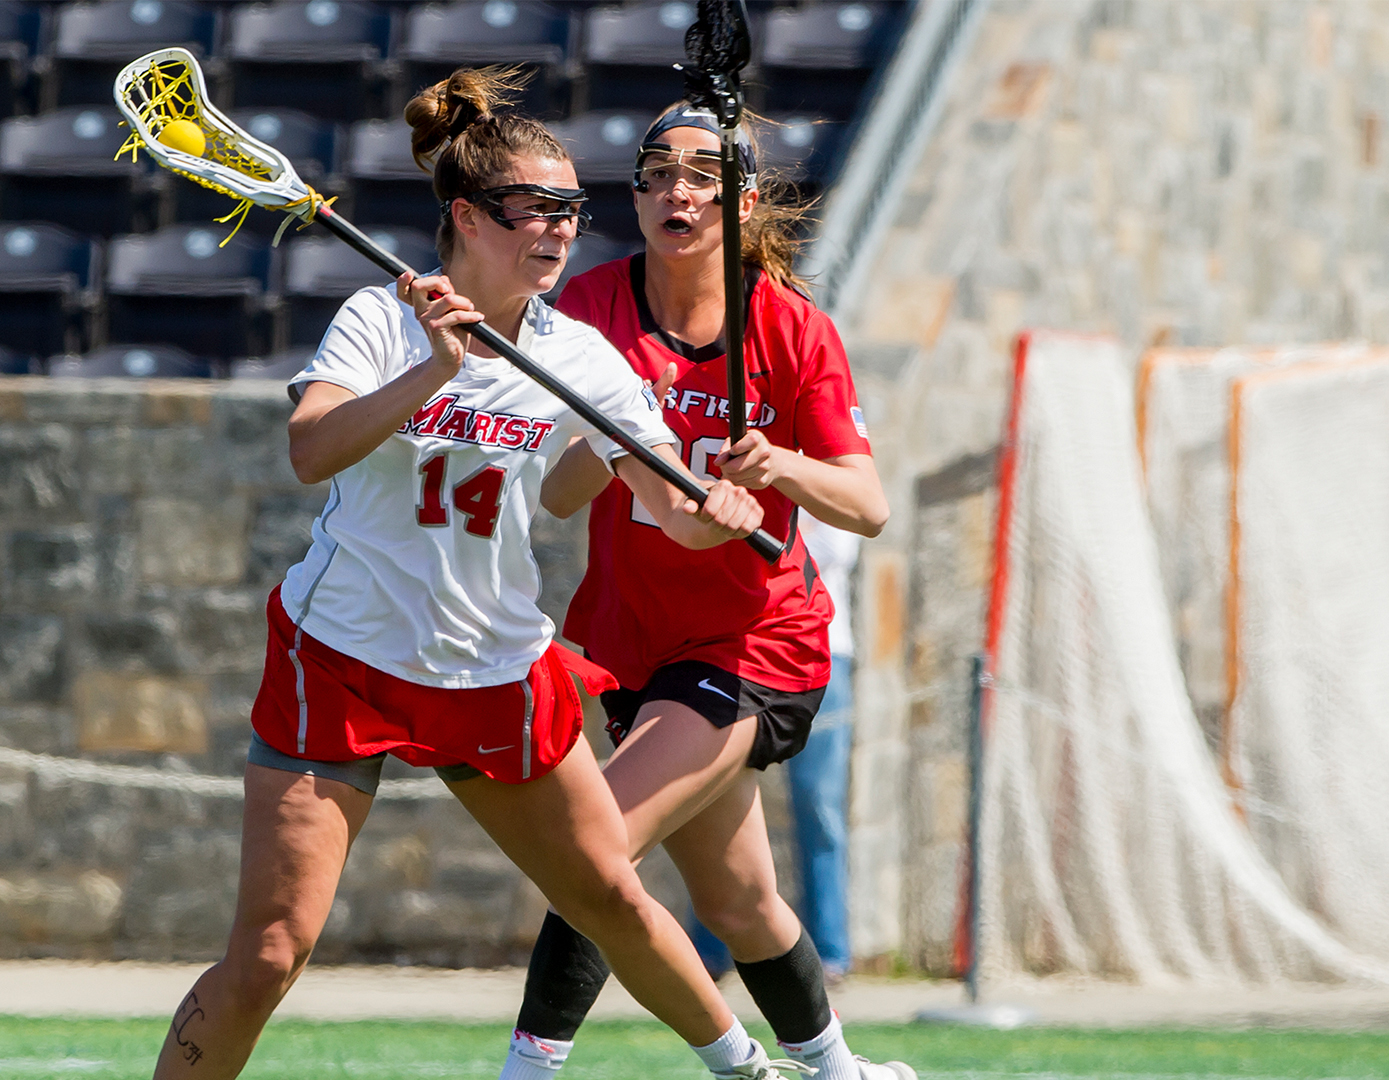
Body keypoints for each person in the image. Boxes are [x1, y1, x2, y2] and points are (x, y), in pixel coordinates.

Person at [151, 70, 802, 1080]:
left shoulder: (581, 359)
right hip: (345, 652)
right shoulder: (382, 318)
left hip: (491, 665)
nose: (557, 231)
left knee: (611, 898)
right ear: (465, 214)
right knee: (274, 951)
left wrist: (721, 513)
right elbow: (311, 449)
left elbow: (670, 511)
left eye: (572, 212)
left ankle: (749, 1072)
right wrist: (437, 370)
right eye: (533, 209)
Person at [495, 102, 908, 1080]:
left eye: (699, 177)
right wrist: (611, 440)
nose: (674, 192)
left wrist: (778, 467)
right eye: (654, 174)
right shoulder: (589, 311)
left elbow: (868, 503)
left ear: (741, 201)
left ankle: (533, 1070)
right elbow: (558, 493)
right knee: (740, 904)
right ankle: (838, 1072)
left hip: (755, 642)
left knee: (591, 849)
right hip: (634, 643)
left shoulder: (790, 329)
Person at [785, 511, 860, 984]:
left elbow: (830, 552)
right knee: (715, 802)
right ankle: (712, 950)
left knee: (820, 806)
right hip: (739, 646)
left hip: (824, 653)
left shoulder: (833, 461)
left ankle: (829, 953)